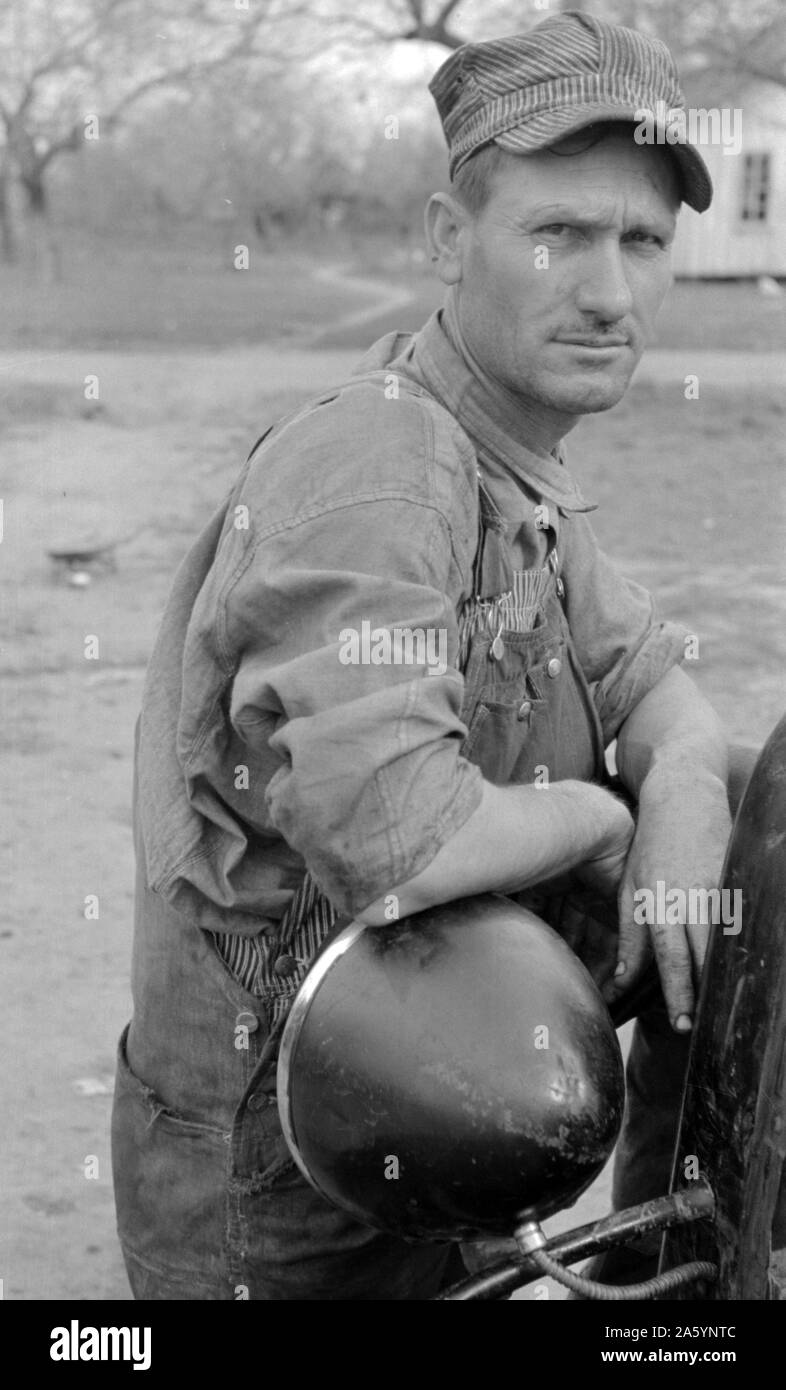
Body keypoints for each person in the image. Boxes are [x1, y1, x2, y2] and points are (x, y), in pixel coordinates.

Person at [111, 10, 755, 1300]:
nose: (611, 291)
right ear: (450, 240)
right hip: (284, 1171)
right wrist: (594, 816)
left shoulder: (519, 473)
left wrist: (679, 816)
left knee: (740, 788)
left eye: (641, 241)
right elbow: (405, 845)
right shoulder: (383, 464)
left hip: (439, 1095)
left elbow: (669, 700)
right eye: (558, 233)